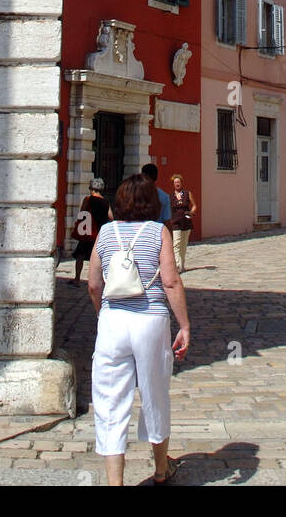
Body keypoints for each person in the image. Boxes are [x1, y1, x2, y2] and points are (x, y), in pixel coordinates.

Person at [88, 174, 190, 486]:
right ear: (152, 203)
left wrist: (103, 315)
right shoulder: (158, 231)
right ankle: (161, 470)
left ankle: (115, 483)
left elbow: (94, 284)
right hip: (151, 320)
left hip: (113, 322)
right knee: (155, 393)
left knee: (109, 401)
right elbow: (170, 281)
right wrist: (184, 325)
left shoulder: (105, 233)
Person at [72, 177, 111, 286]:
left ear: (91, 188)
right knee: (99, 257)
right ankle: (98, 280)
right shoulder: (105, 202)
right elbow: (111, 217)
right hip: (100, 233)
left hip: (88, 232)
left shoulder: (88, 199)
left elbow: (82, 213)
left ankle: (77, 278)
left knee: (80, 254)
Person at [169, 174, 197, 273]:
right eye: (175, 182)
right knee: (176, 244)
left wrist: (192, 212)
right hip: (176, 222)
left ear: (182, 183)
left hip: (186, 221)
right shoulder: (171, 196)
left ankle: (182, 265)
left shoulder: (187, 193)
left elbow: (194, 205)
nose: (177, 184)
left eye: (178, 182)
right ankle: (177, 266)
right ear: (173, 184)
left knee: (183, 245)